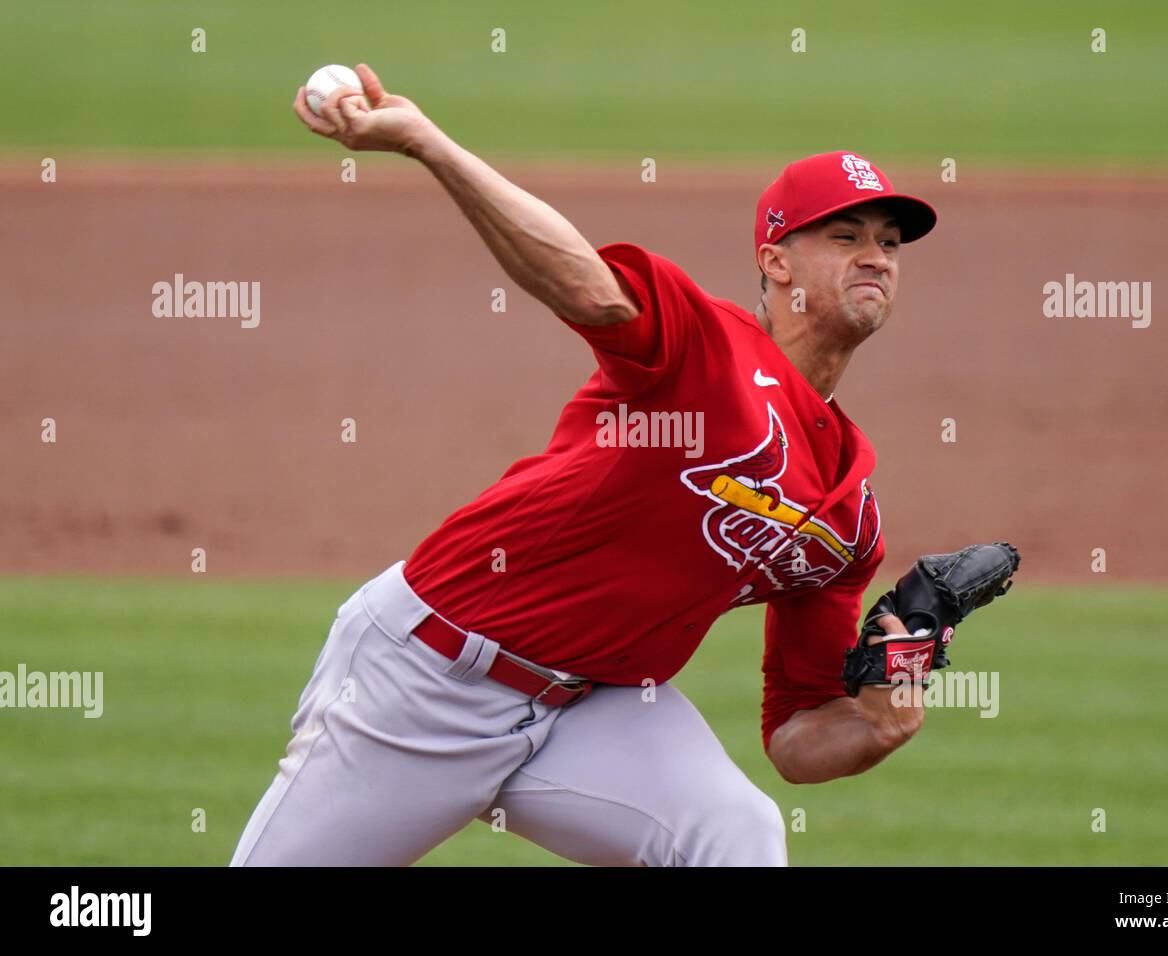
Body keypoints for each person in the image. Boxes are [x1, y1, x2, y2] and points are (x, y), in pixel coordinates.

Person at [231, 63, 939, 867]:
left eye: (889, 244)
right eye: (846, 237)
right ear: (776, 262)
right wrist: (427, 143)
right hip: (426, 678)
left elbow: (797, 734)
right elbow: (589, 290)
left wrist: (879, 722)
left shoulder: (847, 518)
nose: (875, 257)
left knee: (739, 833)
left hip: (593, 711)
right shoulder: (703, 346)